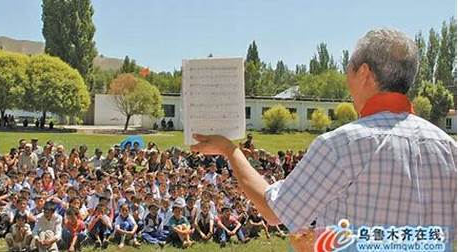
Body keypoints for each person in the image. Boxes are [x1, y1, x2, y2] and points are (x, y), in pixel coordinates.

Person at [191, 29, 457, 250]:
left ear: (364, 73)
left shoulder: (342, 145)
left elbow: (274, 210)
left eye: (349, 68)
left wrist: (230, 150)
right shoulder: (448, 148)